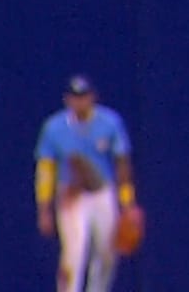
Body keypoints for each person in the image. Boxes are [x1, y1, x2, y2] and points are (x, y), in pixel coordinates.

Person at [35, 74, 138, 292]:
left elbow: (122, 164)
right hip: (71, 195)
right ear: (67, 100)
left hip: (102, 192)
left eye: (84, 96)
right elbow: (46, 169)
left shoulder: (109, 122)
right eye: (75, 97)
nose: (80, 101)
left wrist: (127, 202)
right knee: (74, 252)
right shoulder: (54, 128)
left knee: (108, 253)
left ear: (93, 97)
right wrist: (44, 208)